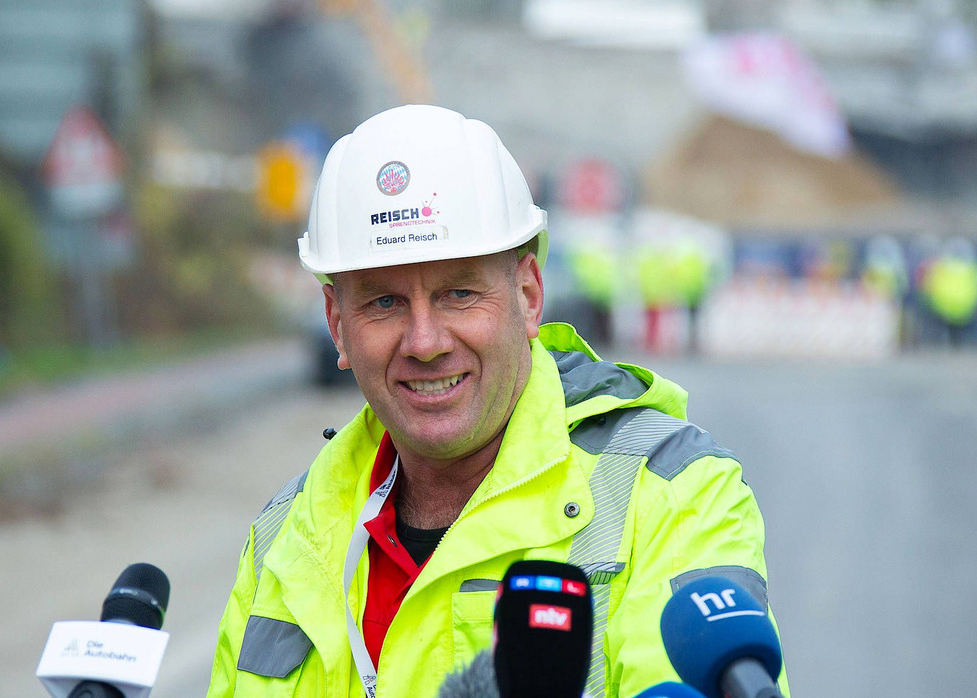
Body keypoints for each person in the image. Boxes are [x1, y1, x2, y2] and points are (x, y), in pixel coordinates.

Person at [205, 105, 787, 698]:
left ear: (530, 296)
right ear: (337, 325)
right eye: (383, 303)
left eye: (459, 294)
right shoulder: (284, 539)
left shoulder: (674, 495)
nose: (425, 343)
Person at [921, 237, 977, 348]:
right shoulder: (971, 268)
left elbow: (931, 283)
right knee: (957, 333)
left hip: (947, 305)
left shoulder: (942, 266)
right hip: (962, 306)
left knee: (952, 332)